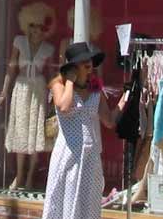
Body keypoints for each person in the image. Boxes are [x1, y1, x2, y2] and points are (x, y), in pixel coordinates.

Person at [42, 42, 127, 219]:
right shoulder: (59, 85)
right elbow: (64, 107)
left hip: (90, 157)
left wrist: (125, 99)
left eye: (89, 60)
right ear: (72, 66)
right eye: (83, 61)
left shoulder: (96, 89)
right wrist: (71, 81)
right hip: (68, 156)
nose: (88, 63)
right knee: (65, 204)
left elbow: (109, 121)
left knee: (88, 206)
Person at [0, 1, 55, 191]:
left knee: (35, 131)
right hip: (21, 88)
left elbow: (52, 74)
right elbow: (11, 67)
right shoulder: (19, 42)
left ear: (44, 29)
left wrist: (54, 95)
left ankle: (30, 175)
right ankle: (19, 174)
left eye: (38, 28)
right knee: (21, 130)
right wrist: (4, 92)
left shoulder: (48, 49)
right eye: (31, 26)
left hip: (38, 89)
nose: (34, 31)